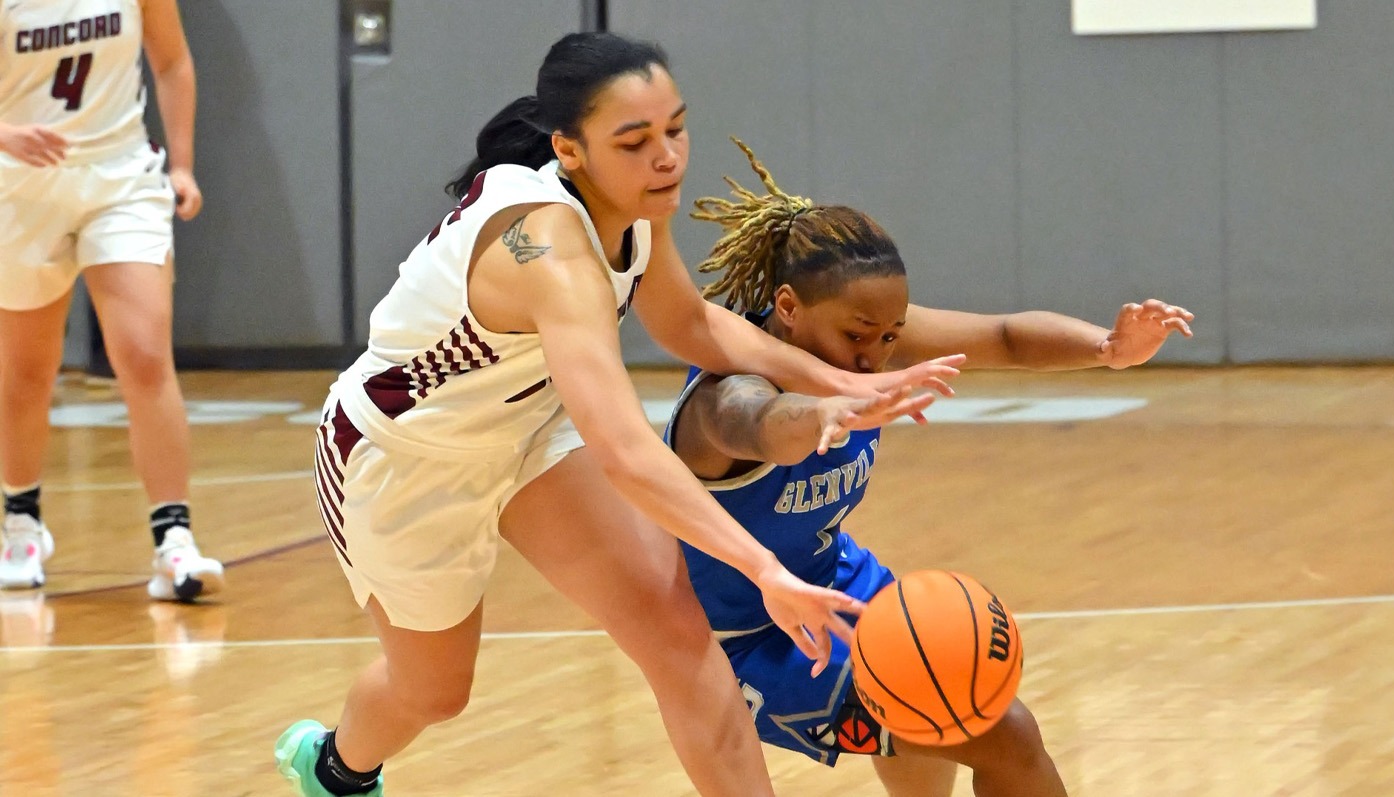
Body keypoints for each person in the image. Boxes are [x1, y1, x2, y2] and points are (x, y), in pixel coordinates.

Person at [274, 33, 962, 797]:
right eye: (635, 142)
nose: (666, 158)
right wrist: (764, 568)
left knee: (679, 635)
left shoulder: (633, 205)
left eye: (675, 128)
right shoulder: (549, 254)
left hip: (528, 432)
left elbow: (689, 324)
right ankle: (334, 769)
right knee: (434, 690)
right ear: (569, 149)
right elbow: (628, 453)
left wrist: (835, 382)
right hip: (402, 459)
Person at [664, 138, 1196, 797]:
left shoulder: (865, 335)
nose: (874, 354)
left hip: (835, 582)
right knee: (1004, 733)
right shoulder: (725, 392)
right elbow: (757, 422)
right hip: (747, 637)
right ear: (790, 308)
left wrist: (1109, 348)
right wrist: (822, 412)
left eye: (890, 335)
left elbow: (1004, 338)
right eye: (858, 335)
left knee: (940, 703)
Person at [0, 0, 224, 601]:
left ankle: (174, 540)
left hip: (120, 176)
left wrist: (182, 166)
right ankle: (21, 522)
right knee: (26, 370)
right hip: (19, 185)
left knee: (145, 356)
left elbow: (172, 62)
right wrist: (7, 135)